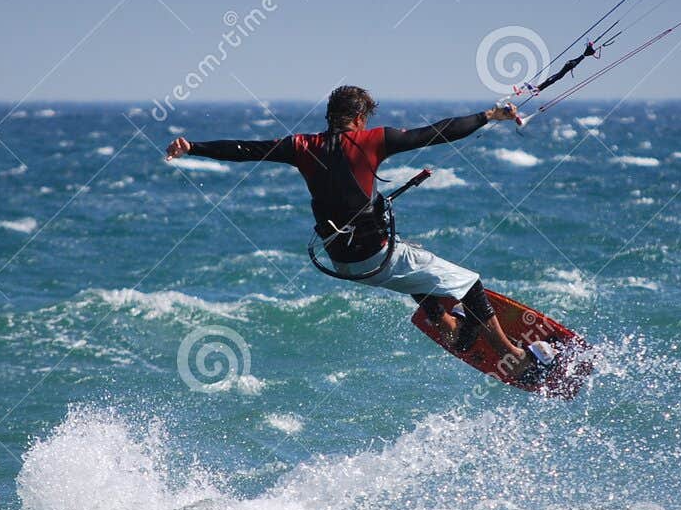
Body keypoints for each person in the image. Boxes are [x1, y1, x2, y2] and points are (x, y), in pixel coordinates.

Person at [165, 85, 538, 371]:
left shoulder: (301, 146)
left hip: (342, 264)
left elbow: (245, 149)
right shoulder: (374, 140)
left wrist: (192, 146)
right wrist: (491, 114)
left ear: (330, 116)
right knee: (468, 283)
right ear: (360, 118)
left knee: (416, 265)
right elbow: (438, 132)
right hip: (375, 257)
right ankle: (514, 354)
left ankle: (452, 330)